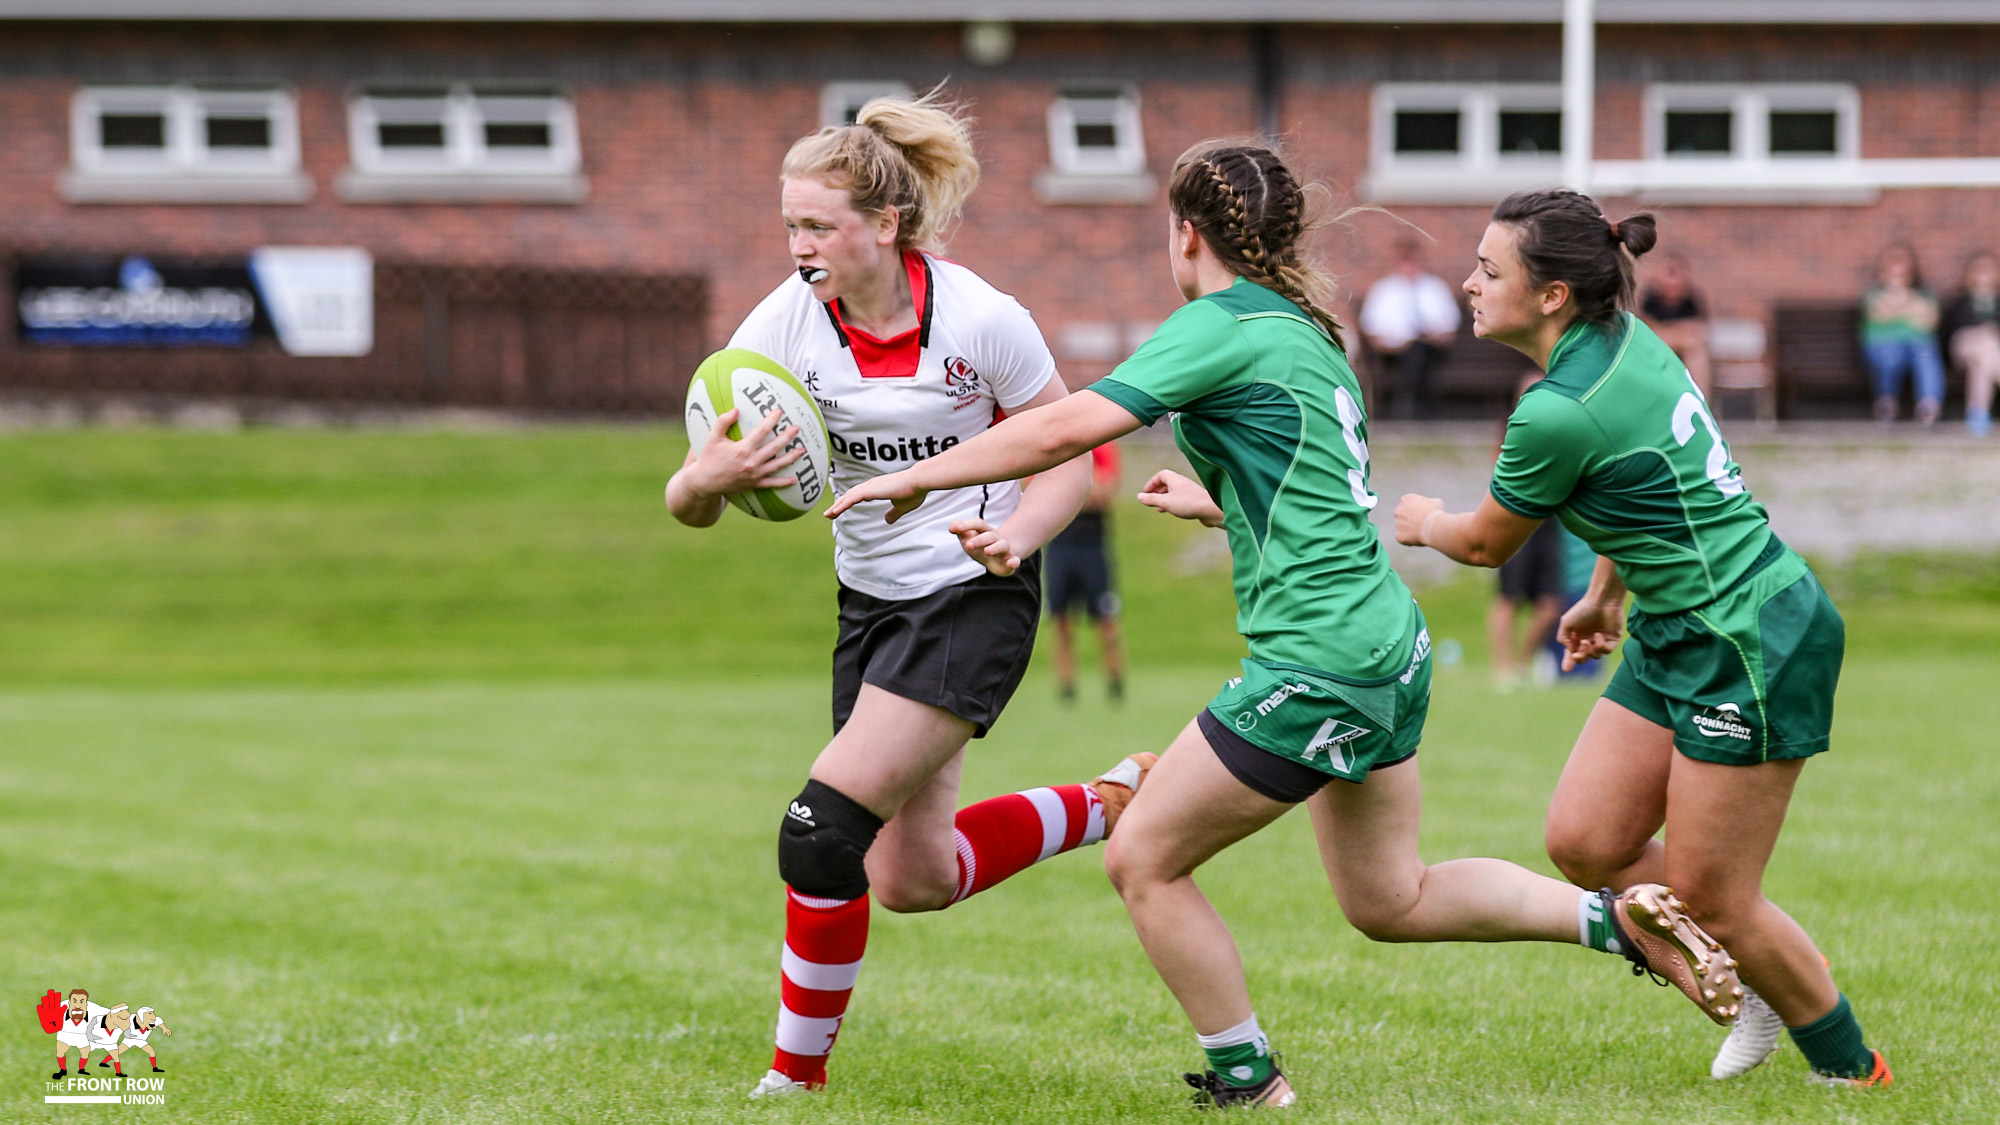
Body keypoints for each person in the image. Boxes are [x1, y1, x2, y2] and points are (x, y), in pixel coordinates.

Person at [829, 141, 1742, 1110]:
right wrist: (1220, 504)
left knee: (1144, 859)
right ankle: (1618, 923)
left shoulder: (1218, 323)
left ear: (1186, 233)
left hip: (1318, 656)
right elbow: (1317, 493)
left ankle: (1247, 1078)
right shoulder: (1306, 328)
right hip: (1383, 641)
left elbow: (1066, 427)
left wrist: (918, 474)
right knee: (1391, 897)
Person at [664, 90, 1153, 1099]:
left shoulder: (982, 320)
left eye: (817, 226)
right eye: (789, 225)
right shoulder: (779, 328)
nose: (797, 247)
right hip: (870, 604)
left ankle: (793, 1082)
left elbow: (1069, 456)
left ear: (884, 224)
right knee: (914, 880)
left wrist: (1016, 537)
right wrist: (705, 482)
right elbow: (688, 500)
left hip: (974, 592)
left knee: (819, 829)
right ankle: (1110, 801)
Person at [1394, 188, 1892, 1089]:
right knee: (1587, 840)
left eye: (1489, 270)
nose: (1468, 283)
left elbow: (1483, 543)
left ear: (1552, 295)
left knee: (1712, 897)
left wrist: (1425, 519)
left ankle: (1853, 1070)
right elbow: (1645, 489)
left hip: (1749, 634)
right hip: (1675, 623)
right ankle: (1760, 963)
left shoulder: (1556, 409)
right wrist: (1602, 596)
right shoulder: (1622, 338)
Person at [1489, 373, 1567, 690]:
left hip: (1549, 523)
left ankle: (1523, 663)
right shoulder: (1510, 430)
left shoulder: (1562, 430)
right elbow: (1499, 473)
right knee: (1508, 597)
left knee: (1551, 602)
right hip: (1514, 519)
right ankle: (1502, 668)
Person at [1044, 440, 1128, 702]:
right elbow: (1035, 489)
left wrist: (1065, 489)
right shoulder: (1053, 443)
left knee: (1106, 619)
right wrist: (1084, 487)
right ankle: (1066, 687)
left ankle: (1115, 683)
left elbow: (1105, 492)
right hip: (1059, 546)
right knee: (1061, 620)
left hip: (1093, 547)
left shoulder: (1102, 444)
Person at [1361, 235, 1460, 419]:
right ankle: (1424, 407)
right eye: (1404, 260)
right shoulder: (1383, 290)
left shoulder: (1436, 288)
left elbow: (1449, 332)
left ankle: (1405, 404)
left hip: (1432, 351)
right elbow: (1373, 334)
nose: (1409, 266)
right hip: (1393, 354)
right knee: (1415, 354)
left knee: (1418, 351)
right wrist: (1399, 344)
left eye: (1412, 260)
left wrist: (1430, 336)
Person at [1860, 243, 1944, 425]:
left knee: (1925, 352)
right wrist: (1911, 309)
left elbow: (1929, 322)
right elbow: (1879, 314)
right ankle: (1886, 402)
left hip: (1918, 345)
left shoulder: (1925, 293)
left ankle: (1928, 405)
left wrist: (1897, 305)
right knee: (1890, 355)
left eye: (1902, 259)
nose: (1897, 265)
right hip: (1882, 345)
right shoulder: (1872, 293)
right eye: (1892, 259)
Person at [1943, 250, 2000, 437]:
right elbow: (1951, 329)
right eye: (1978, 269)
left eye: (1988, 269)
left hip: (1989, 353)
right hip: (1964, 347)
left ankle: (1977, 417)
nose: (1983, 274)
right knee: (1985, 341)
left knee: (1981, 364)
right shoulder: (1960, 302)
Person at [1639, 253, 1711, 399]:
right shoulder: (1650, 299)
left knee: (1697, 355)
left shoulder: (1691, 301)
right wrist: (1677, 333)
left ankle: (1700, 400)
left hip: (1683, 352)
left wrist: (1666, 332)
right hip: (1656, 349)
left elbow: (1697, 332)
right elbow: (1647, 330)